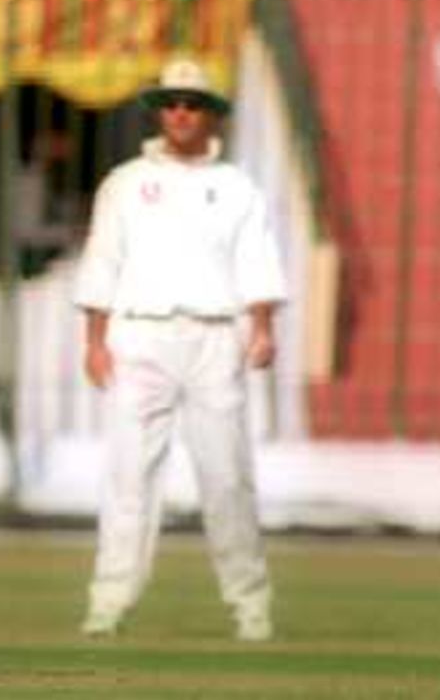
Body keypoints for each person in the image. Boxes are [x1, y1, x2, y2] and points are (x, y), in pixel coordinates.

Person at [73, 58, 286, 642]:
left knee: (226, 477)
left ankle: (250, 605)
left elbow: (257, 264)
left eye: (192, 103)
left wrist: (263, 327)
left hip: (215, 337)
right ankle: (108, 604)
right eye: (171, 103)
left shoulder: (237, 186)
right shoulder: (123, 183)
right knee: (128, 478)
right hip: (139, 335)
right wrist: (94, 342)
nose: (181, 113)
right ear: (158, 110)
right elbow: (101, 263)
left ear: (210, 113)